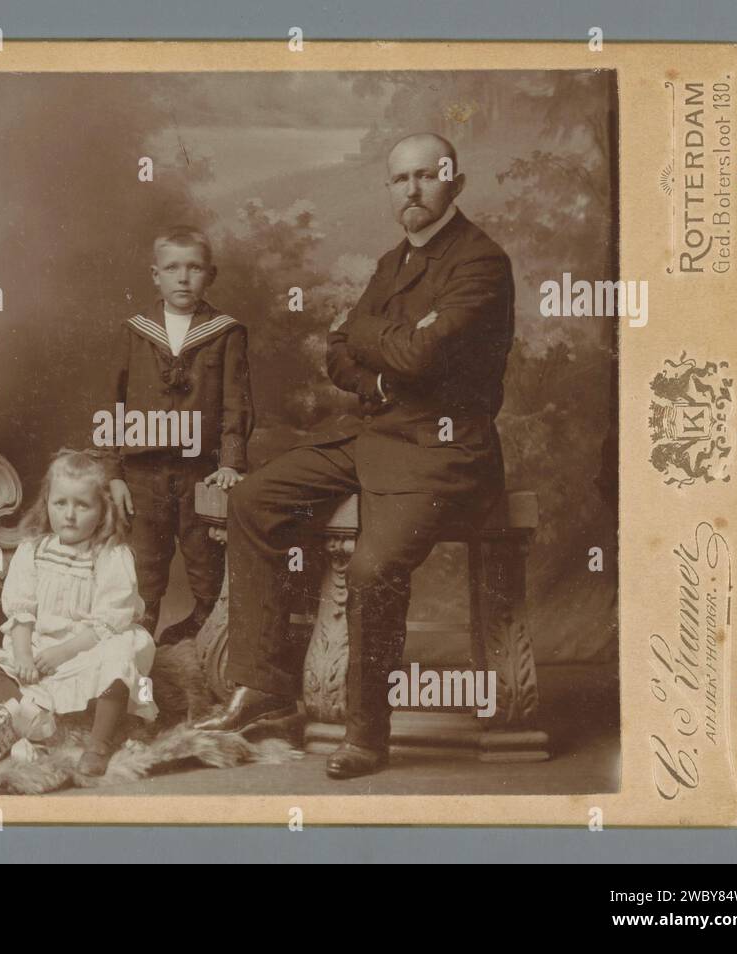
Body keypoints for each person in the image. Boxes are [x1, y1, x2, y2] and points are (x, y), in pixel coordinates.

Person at [194, 134, 516, 780]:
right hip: (376, 430)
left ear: (455, 180)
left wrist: (372, 339)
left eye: (427, 176)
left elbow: (416, 356)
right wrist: (380, 365)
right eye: (400, 180)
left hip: (442, 451)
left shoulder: (481, 262)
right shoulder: (392, 262)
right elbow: (340, 352)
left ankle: (367, 735)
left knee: (371, 570)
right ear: (390, 189)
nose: (412, 190)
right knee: (253, 500)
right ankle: (264, 684)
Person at [107, 226, 254, 645]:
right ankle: (135, 658)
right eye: (172, 268)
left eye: (194, 268)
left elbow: (236, 403)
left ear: (211, 274)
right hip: (142, 473)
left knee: (207, 565)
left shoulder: (225, 333)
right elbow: (110, 403)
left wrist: (230, 462)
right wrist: (113, 471)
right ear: (156, 275)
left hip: (201, 473)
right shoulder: (135, 331)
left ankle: (206, 645)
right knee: (144, 574)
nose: (183, 277)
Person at [0, 450, 158, 776]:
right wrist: (23, 655)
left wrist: (63, 652)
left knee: (126, 650)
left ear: (102, 510)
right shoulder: (32, 550)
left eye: (82, 505)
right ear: (47, 502)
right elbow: (21, 609)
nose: (69, 515)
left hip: (86, 645)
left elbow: (109, 620)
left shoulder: (111, 555)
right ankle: (29, 721)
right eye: (60, 503)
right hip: (39, 644)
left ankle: (98, 743)